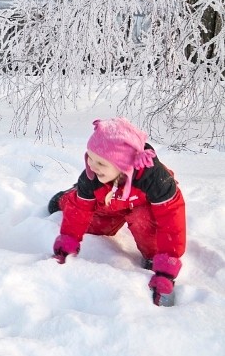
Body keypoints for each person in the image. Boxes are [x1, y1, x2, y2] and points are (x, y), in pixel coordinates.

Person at [48, 118, 186, 306]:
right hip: (110, 200)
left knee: (143, 220)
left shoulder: (156, 180)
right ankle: (68, 195)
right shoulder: (93, 176)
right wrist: (68, 240)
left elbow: (171, 220)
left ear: (122, 165)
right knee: (94, 224)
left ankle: (153, 257)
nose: (92, 166)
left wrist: (166, 266)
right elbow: (79, 209)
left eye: (101, 163)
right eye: (90, 157)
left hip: (141, 205)